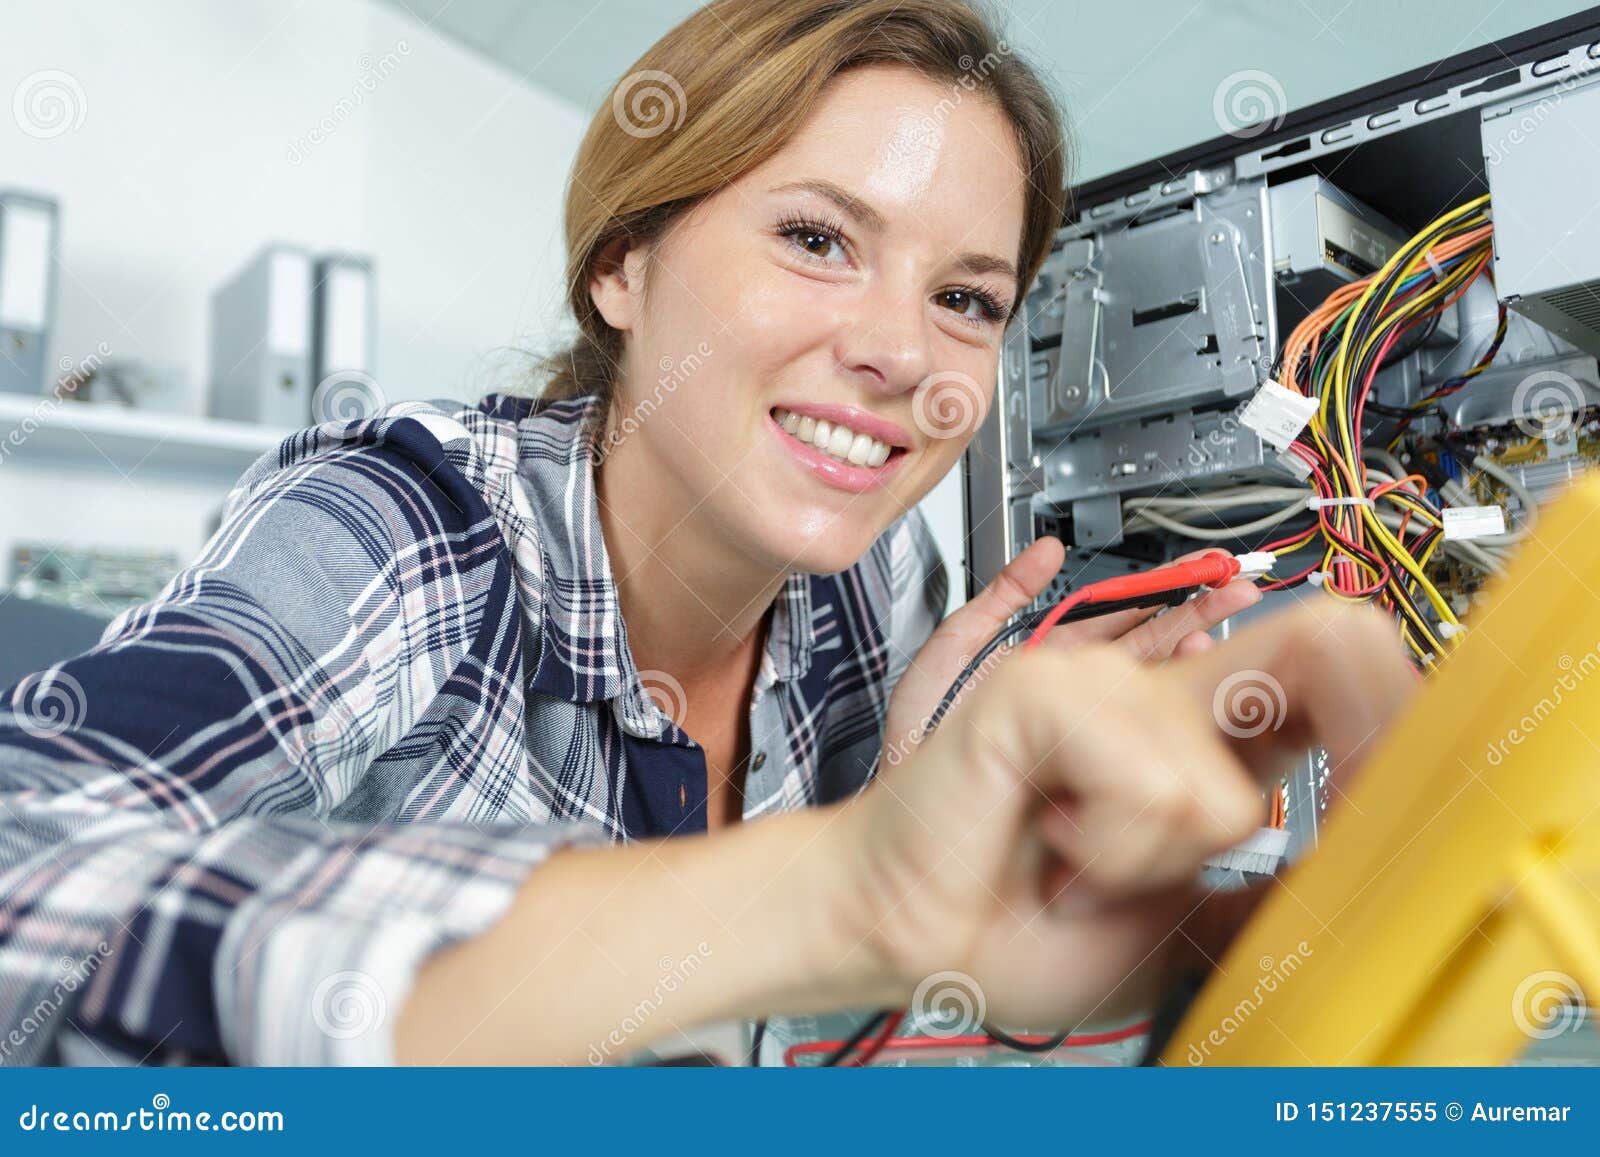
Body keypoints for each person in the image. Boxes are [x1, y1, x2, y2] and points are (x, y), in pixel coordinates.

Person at [0, 0, 1415, 1067]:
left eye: (968, 298)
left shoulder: (873, 575)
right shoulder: (408, 522)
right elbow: (25, 893)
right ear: (624, 262)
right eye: (816, 238)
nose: (896, 352)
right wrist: (847, 880)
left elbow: (838, 1004)